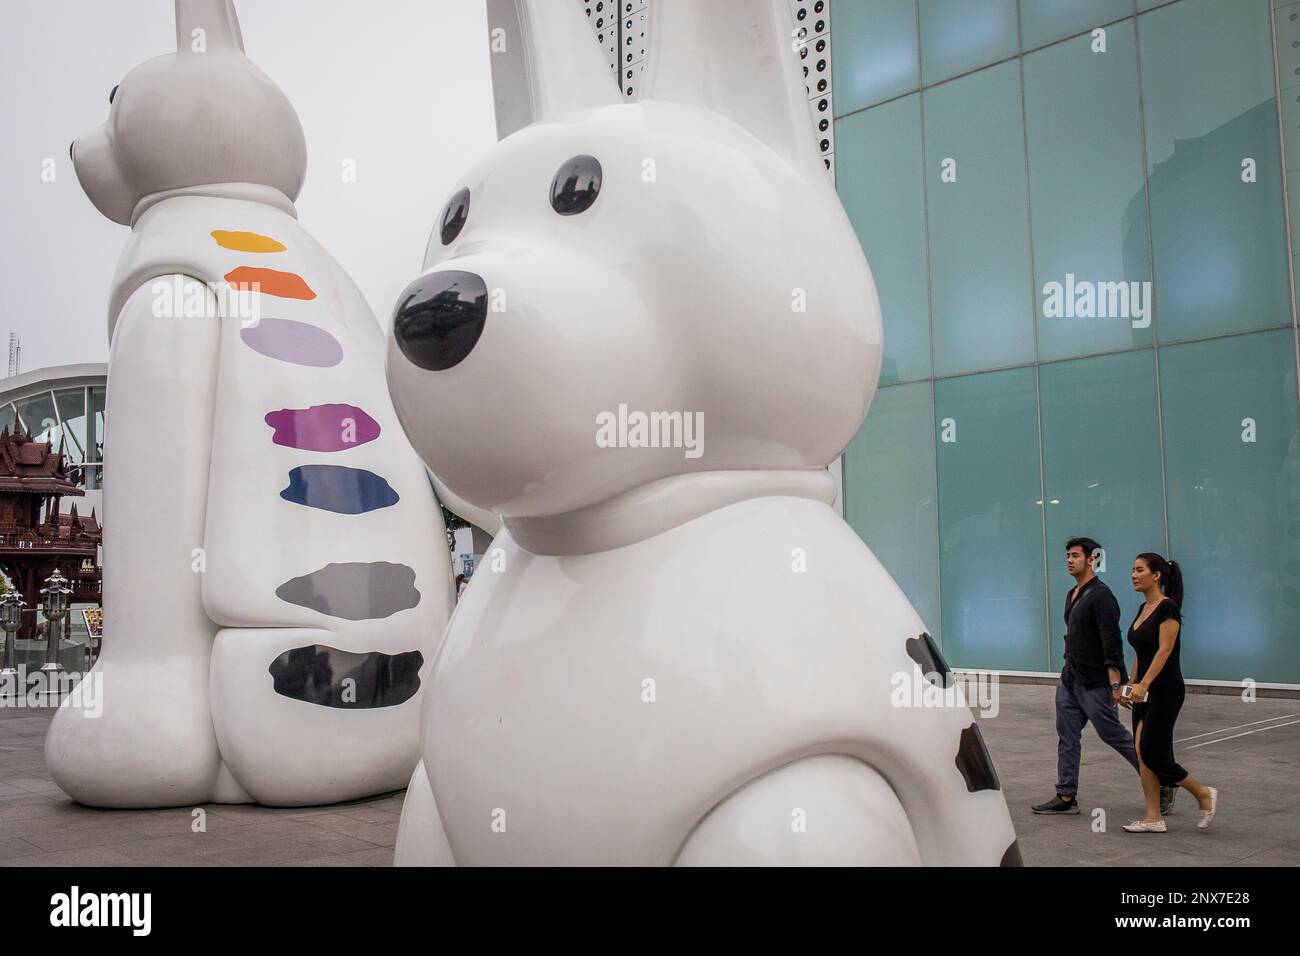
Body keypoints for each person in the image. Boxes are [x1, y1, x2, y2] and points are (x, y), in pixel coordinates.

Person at [1033, 537, 1145, 815]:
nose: (1070, 560)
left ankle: (1160, 781)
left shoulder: (1101, 595)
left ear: (1091, 559)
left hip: (1095, 682)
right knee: (1067, 736)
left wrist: (1116, 682)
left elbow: (1111, 641)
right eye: (1068, 556)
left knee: (1113, 734)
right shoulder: (1073, 594)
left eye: (1075, 556)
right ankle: (1066, 795)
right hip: (1070, 679)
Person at [1118, 552, 1218, 832]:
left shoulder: (1167, 608)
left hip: (1165, 690)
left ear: (1157, 575)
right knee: (1141, 752)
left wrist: (1144, 685)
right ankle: (1153, 817)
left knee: (1152, 751)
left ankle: (1202, 793)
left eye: (1139, 570)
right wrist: (1129, 685)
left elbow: (1164, 651)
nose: (1134, 575)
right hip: (1143, 690)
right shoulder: (1143, 608)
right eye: (1133, 570)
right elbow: (1141, 652)